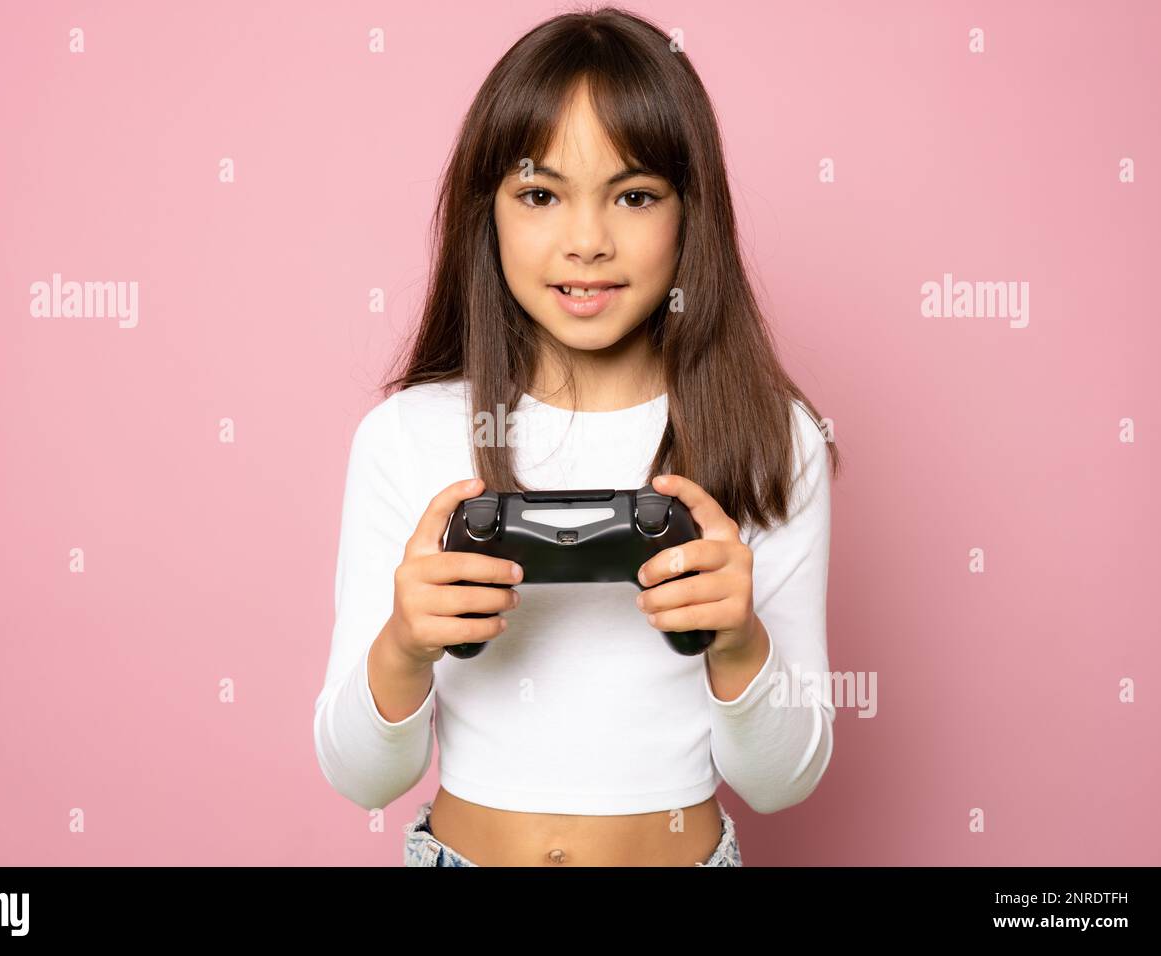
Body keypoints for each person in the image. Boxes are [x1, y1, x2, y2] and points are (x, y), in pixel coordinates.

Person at [314, 6, 840, 867]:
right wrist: (402, 646)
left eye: (634, 196)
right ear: (487, 216)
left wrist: (740, 641)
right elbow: (363, 777)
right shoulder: (409, 435)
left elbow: (783, 781)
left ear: (690, 213)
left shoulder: (770, 439)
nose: (587, 242)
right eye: (539, 194)